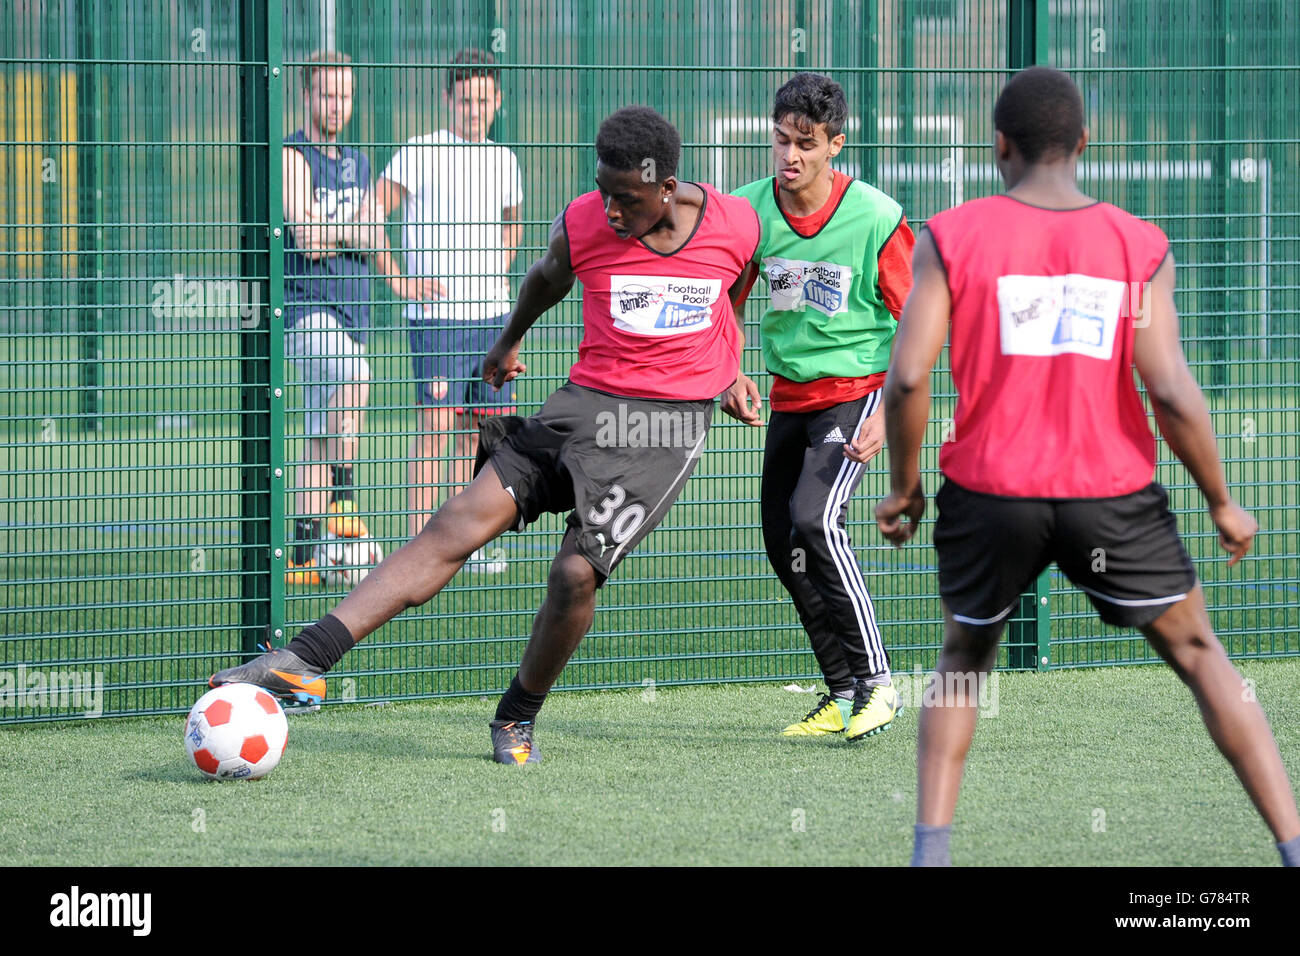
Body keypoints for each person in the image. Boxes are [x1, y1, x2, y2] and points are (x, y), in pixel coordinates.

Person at [213, 106, 762, 765]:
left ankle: (516, 716)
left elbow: (736, 284)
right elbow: (545, 278)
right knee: (457, 520)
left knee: (572, 574)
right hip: (582, 405)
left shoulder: (736, 223)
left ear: (667, 188)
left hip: (661, 429)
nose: (611, 210)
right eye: (604, 191)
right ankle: (304, 658)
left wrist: (723, 367)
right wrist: (506, 343)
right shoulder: (586, 219)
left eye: (628, 199)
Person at [873, 66, 1300, 866]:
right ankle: (1291, 848)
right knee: (1205, 655)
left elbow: (905, 377)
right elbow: (1170, 389)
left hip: (990, 491)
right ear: (1084, 143)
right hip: (1112, 495)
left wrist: (904, 489)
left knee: (962, 660)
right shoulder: (1138, 245)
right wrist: (1221, 501)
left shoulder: (952, 235)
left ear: (998, 146)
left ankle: (929, 858)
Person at [727, 72, 914, 741]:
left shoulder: (875, 215)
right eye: (780, 139)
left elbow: (920, 322)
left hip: (857, 394)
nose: (789, 155)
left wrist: (893, 411)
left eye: (805, 143)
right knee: (784, 539)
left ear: (837, 143)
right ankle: (840, 692)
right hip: (788, 399)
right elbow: (723, 301)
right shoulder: (748, 212)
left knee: (816, 519)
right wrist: (729, 370)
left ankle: (880, 683)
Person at [370, 49, 524, 572]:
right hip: (437, 318)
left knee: (479, 431)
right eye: (464, 100)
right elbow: (373, 213)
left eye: (483, 100)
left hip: (491, 316)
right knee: (435, 427)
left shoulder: (504, 159)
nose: (474, 109)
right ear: (447, 99)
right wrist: (399, 280)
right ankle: (419, 544)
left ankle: (463, 543)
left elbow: (513, 222)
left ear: (497, 100)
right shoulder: (419, 152)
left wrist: (498, 264)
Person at [281, 51, 415, 583]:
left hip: (354, 311)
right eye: (327, 93)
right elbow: (305, 238)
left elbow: (371, 234)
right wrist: (350, 231)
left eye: (345, 95)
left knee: (320, 428)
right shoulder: (294, 155)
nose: (337, 104)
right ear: (307, 96)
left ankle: (302, 554)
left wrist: (401, 280)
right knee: (354, 377)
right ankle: (343, 498)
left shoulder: (357, 162)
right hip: (307, 308)